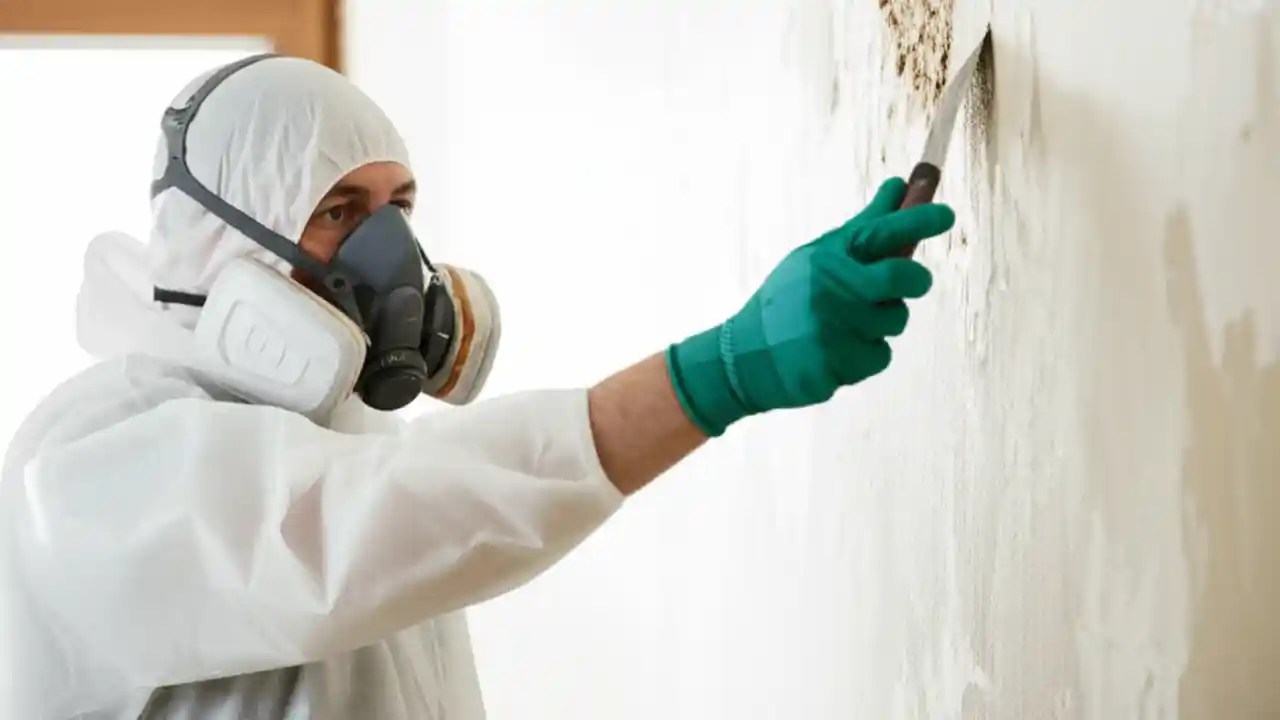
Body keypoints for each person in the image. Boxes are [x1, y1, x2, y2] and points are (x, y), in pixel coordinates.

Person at [0, 55, 954, 719]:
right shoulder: (90, 460)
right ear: (225, 248)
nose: (395, 262)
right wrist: (718, 370)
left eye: (400, 210)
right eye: (340, 211)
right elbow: (341, 532)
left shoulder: (344, 446)